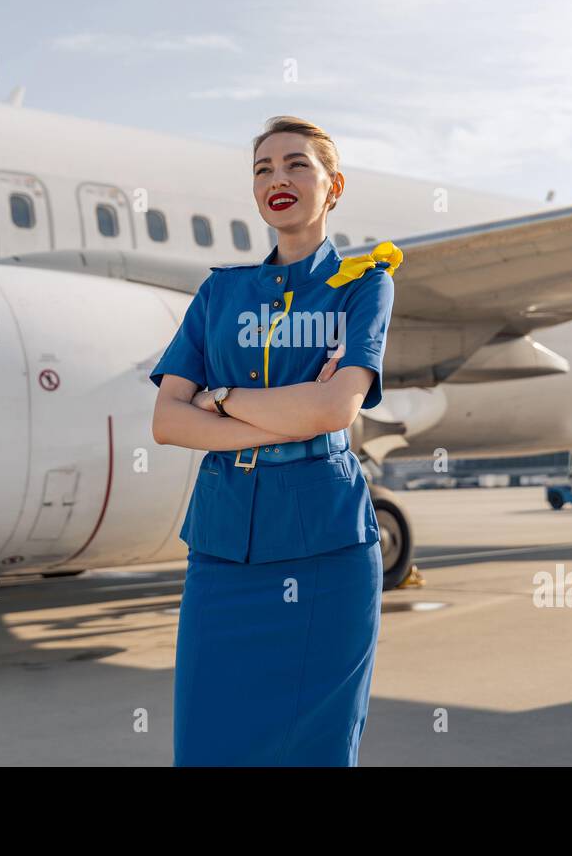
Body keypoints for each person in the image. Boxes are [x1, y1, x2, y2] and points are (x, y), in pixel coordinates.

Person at [149, 115, 402, 766]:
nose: (277, 179)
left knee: (315, 749)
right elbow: (168, 421)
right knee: (208, 745)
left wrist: (225, 398)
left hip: (328, 549)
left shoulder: (364, 284)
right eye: (263, 169)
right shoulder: (219, 293)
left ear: (333, 186)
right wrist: (289, 410)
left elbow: (335, 409)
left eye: (296, 165)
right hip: (224, 551)